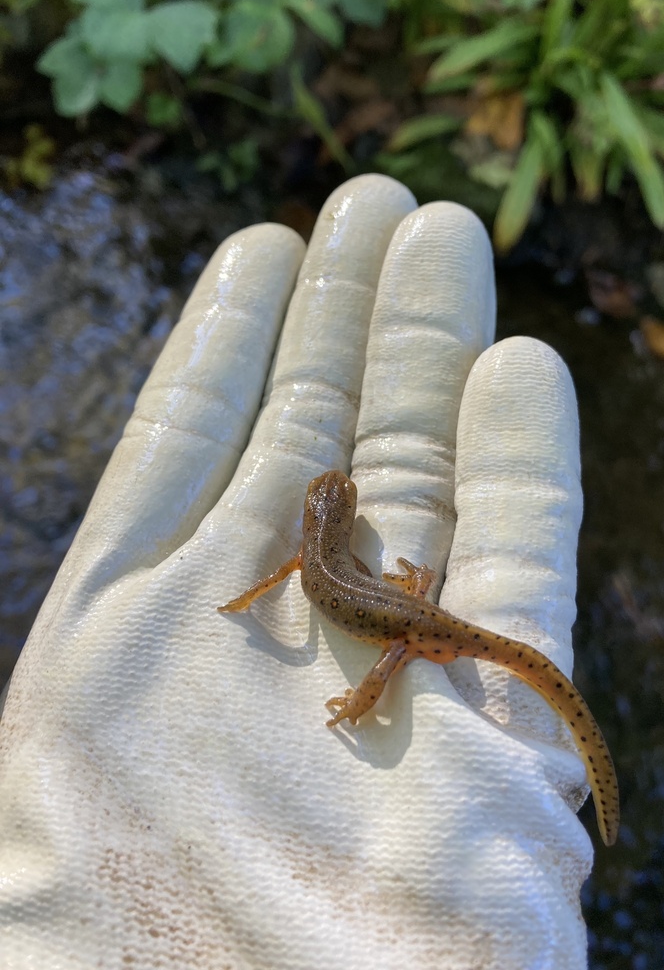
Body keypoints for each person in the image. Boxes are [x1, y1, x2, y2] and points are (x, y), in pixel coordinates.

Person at [0, 174, 597, 969]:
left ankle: (374, 688)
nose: (336, 497)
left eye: (337, 498)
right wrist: (390, 596)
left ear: (327, 522)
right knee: (399, 627)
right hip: (408, 620)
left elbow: (290, 580)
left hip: (412, 633)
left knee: (398, 648)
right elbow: (315, 579)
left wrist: (347, 674)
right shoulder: (330, 557)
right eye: (335, 499)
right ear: (333, 521)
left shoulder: (316, 556)